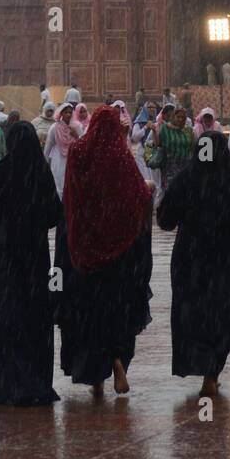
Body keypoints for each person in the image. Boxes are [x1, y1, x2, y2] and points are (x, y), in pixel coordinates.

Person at [157, 130, 230, 396]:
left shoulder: (185, 179)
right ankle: (212, 370)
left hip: (190, 260)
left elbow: (165, 220)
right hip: (227, 261)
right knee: (222, 313)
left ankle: (200, 361)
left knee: (193, 313)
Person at [56, 105, 153, 396]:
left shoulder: (79, 150)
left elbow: (71, 195)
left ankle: (96, 377)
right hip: (120, 258)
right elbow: (137, 196)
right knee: (117, 314)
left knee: (89, 316)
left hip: (84, 254)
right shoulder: (120, 154)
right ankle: (117, 361)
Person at [0, 121, 63, 405]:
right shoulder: (41, 173)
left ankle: (4, 384)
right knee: (34, 317)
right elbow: (54, 215)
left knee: (6, 317)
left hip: (4, 259)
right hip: (34, 258)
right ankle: (33, 382)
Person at [44, 101, 78, 197]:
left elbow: (81, 143)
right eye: (66, 112)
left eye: (70, 112)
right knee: (58, 182)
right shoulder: (54, 128)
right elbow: (48, 147)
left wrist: (76, 135)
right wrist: (45, 164)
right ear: (61, 113)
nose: (68, 114)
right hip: (58, 159)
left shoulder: (76, 127)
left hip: (72, 159)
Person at [158, 106, 194, 190]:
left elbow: (191, 147)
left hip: (184, 164)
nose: (180, 119)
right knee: (171, 190)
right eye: (178, 117)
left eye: (183, 117)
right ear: (173, 117)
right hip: (169, 165)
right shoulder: (165, 128)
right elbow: (158, 145)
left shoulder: (188, 130)